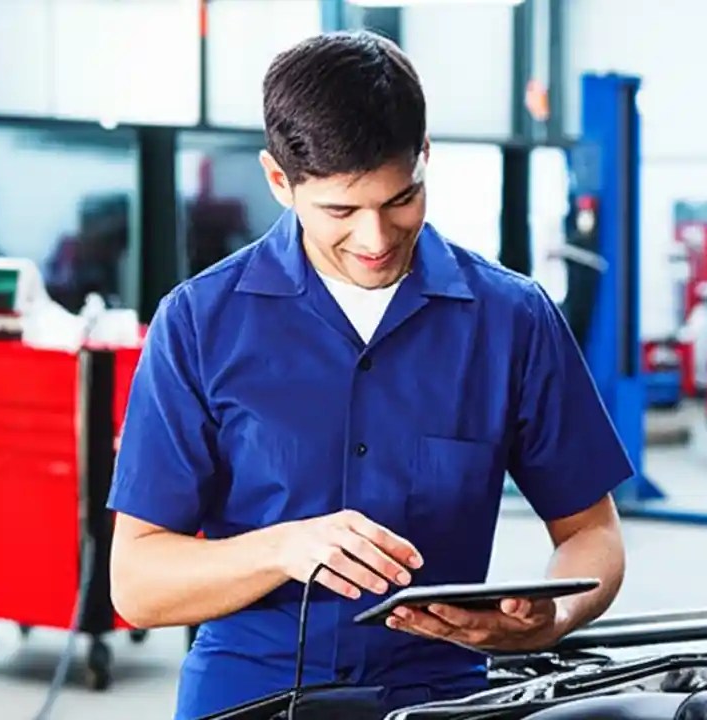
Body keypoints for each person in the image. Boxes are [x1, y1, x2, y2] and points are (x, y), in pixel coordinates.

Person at [106, 30, 632, 720]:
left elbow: (594, 535)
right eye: (340, 212)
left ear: (425, 159)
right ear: (278, 181)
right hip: (250, 692)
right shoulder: (199, 323)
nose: (376, 240)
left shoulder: (513, 318)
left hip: (444, 694)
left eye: (400, 200)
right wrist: (283, 548)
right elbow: (137, 583)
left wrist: (553, 613)